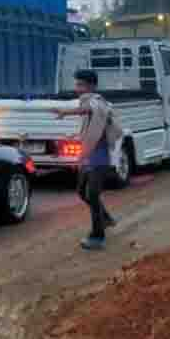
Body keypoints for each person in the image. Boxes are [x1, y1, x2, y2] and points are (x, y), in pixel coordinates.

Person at [56, 69, 122, 251]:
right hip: (89, 157)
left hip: (99, 158)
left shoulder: (97, 102)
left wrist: (66, 112)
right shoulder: (88, 101)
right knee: (81, 192)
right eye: (76, 84)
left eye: (81, 85)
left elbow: (88, 109)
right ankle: (105, 218)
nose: (77, 88)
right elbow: (84, 110)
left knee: (92, 194)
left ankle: (97, 236)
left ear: (92, 86)